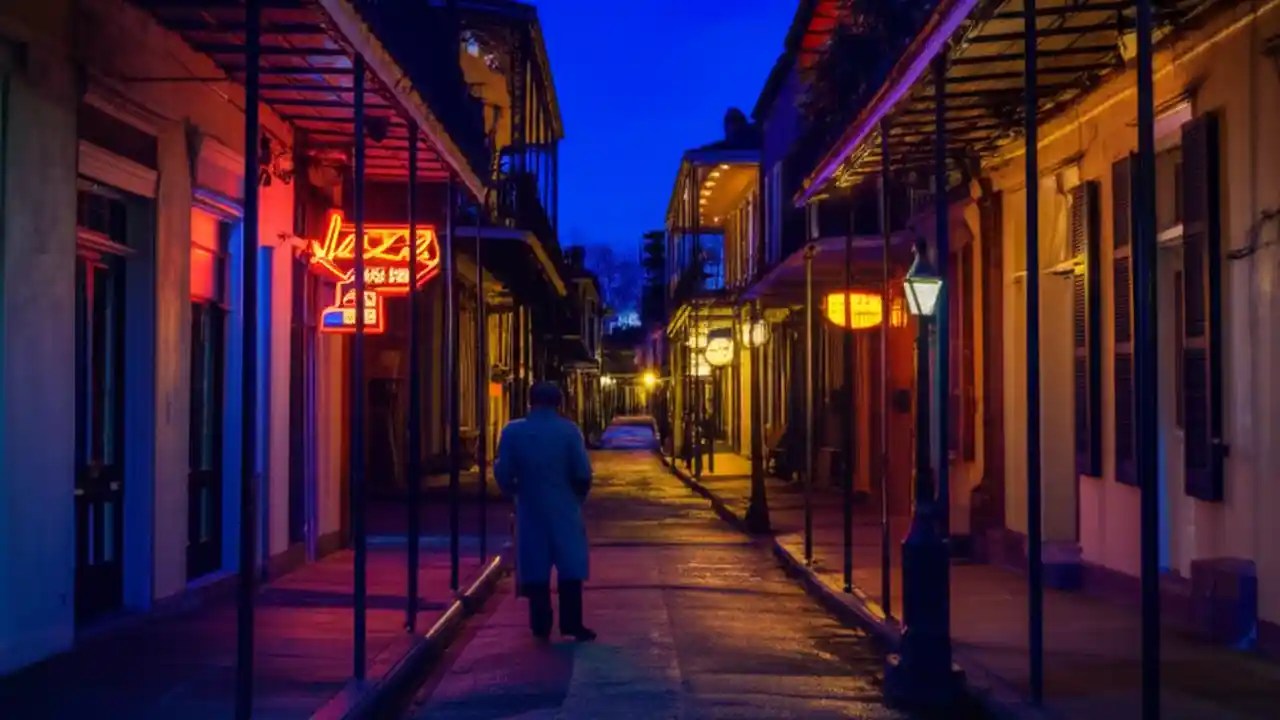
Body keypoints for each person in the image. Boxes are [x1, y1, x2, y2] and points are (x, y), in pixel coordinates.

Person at [494, 381, 596, 642]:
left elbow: (503, 472)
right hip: (564, 507)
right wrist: (576, 498)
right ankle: (571, 623)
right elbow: (582, 473)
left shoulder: (513, 432)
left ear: (531, 401)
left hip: (529, 506)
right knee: (570, 566)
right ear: (558, 402)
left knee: (535, 566)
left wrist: (514, 492)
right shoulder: (569, 432)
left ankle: (540, 623)